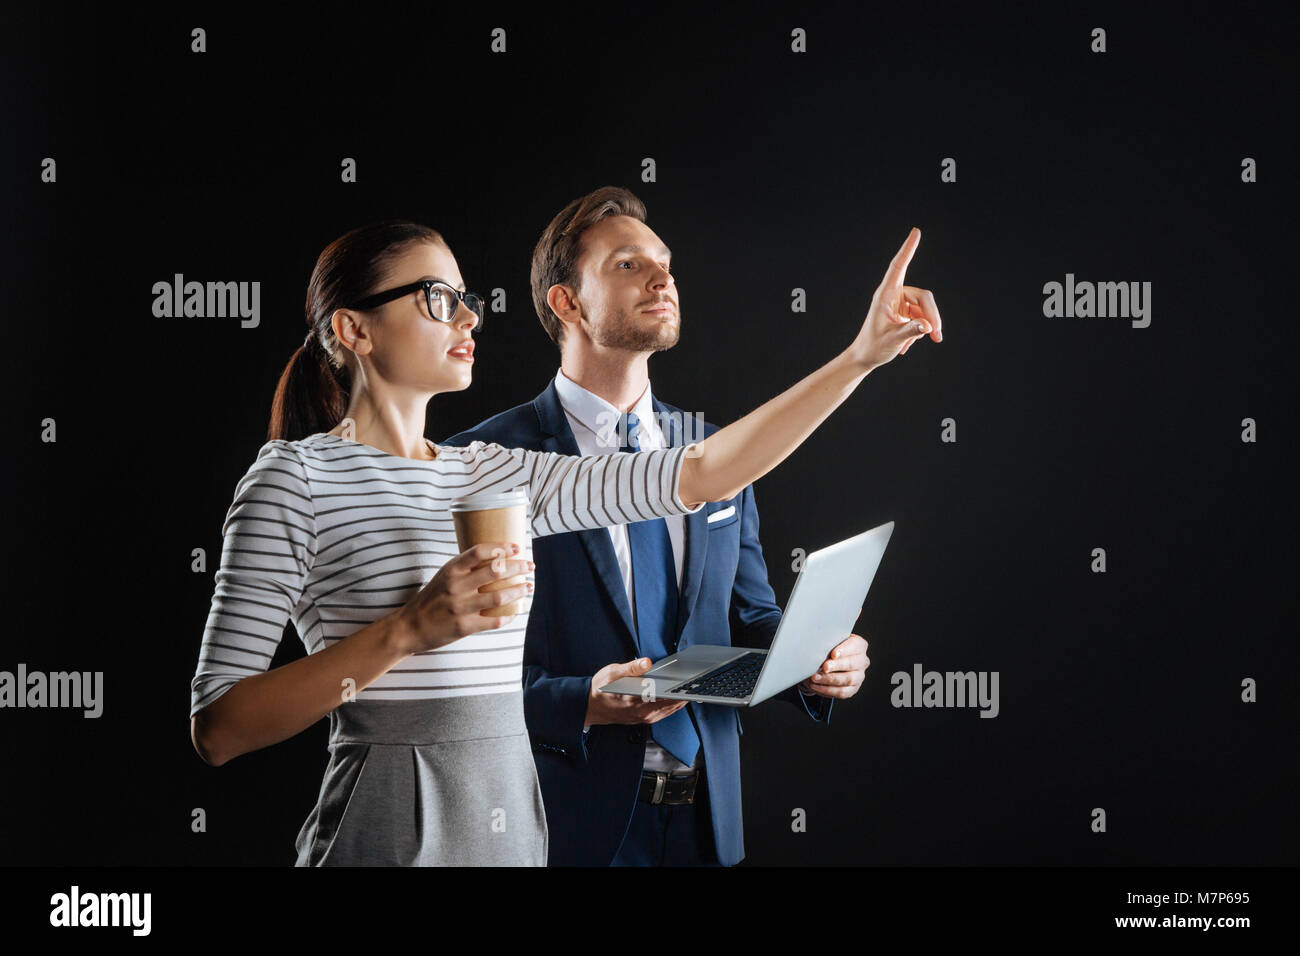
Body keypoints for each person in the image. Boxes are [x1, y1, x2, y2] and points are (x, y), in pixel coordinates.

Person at [188, 217, 941, 866]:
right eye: (438, 300)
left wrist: (859, 358)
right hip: (387, 832)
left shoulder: (492, 473)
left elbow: (705, 472)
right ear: (353, 329)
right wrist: (410, 628)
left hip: (516, 834)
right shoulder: (294, 478)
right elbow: (220, 729)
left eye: (468, 302)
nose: (469, 319)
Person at [443, 187, 938, 865]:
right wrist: (582, 703)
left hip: (707, 826)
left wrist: (815, 658)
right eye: (625, 265)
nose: (662, 277)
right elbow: (454, 684)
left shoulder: (715, 449)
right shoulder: (490, 461)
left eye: (665, 263)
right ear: (566, 303)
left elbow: (745, 616)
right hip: (563, 829)